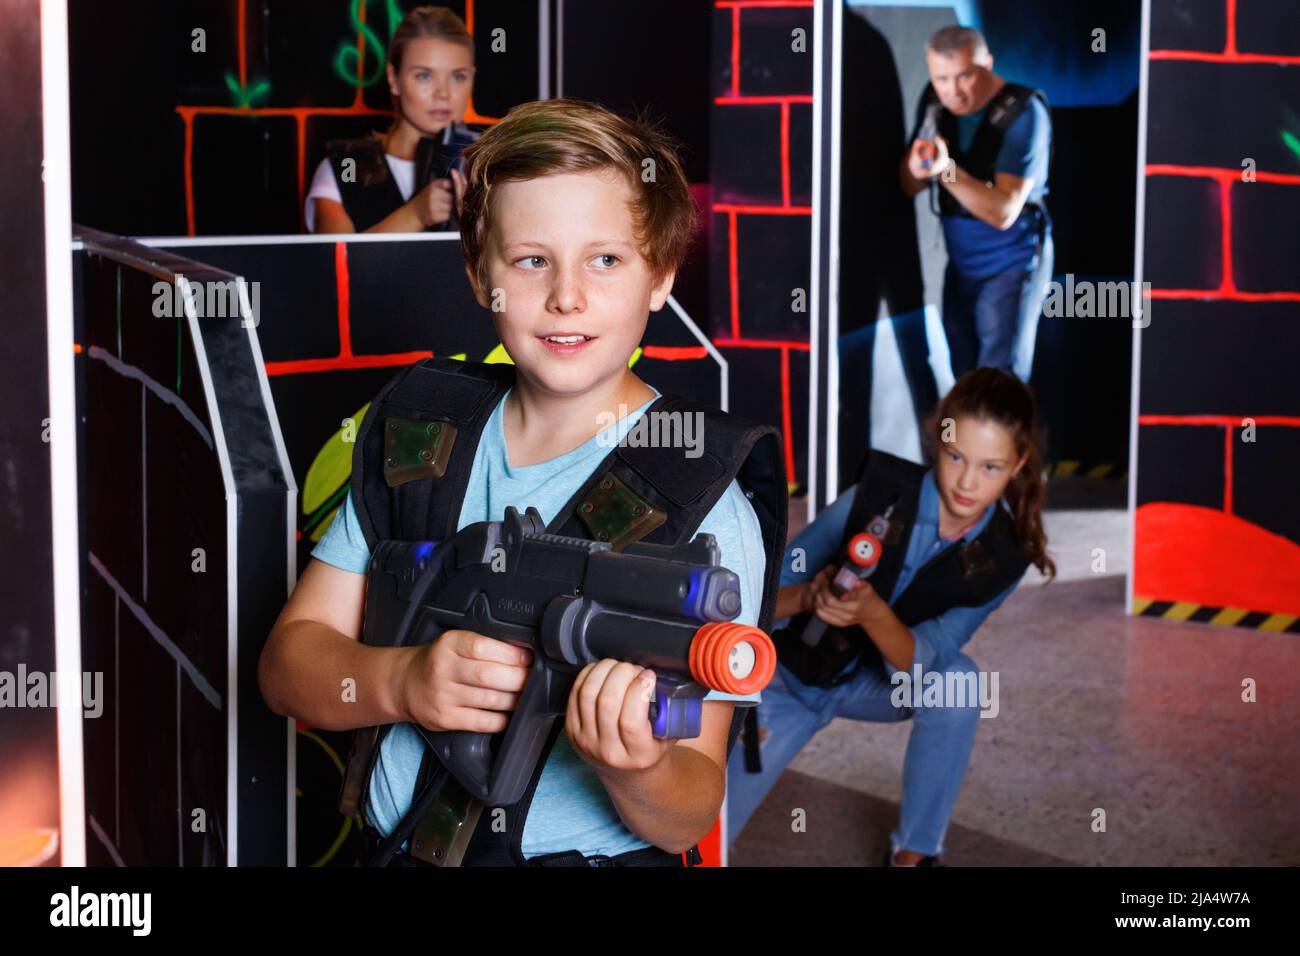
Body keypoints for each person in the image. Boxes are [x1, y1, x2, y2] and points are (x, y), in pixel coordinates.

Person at [260, 97, 788, 867]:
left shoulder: (703, 503)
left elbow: (686, 816)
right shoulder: (420, 434)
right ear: (481, 275)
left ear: (661, 275)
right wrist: (402, 680)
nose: (566, 295)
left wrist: (630, 765)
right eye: (530, 259)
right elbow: (285, 669)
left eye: (605, 259)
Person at [727, 366, 1055, 866]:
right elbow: (759, 597)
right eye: (956, 457)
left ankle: (915, 853)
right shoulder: (875, 494)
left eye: (991, 467)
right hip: (788, 681)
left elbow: (920, 666)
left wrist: (872, 612)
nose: (967, 482)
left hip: (881, 684)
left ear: (1019, 463)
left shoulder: (1005, 556)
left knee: (957, 685)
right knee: (698, 835)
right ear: (937, 440)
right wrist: (810, 598)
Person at [899, 26, 1053, 382]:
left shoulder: (1025, 113)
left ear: (987, 64)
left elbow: (1003, 212)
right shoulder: (935, 102)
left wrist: (944, 170)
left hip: (1011, 262)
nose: (953, 90)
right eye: (942, 78)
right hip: (961, 265)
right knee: (964, 378)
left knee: (999, 383)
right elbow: (909, 185)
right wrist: (916, 166)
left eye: (965, 76)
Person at [305, 6, 482, 234]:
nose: (443, 93)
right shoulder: (344, 168)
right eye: (424, 76)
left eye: (458, 76)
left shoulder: (490, 170)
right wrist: (415, 215)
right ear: (393, 79)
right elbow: (336, 265)